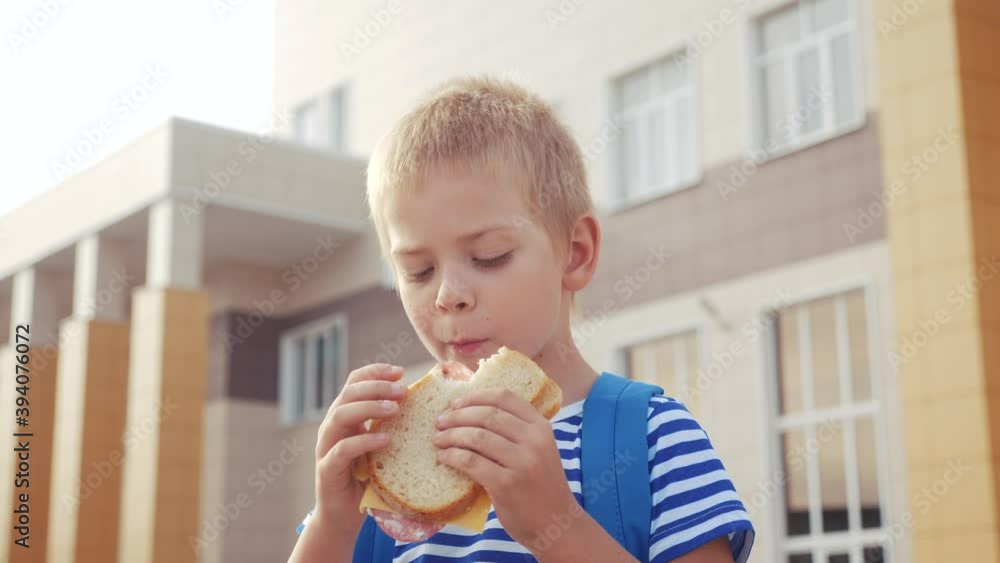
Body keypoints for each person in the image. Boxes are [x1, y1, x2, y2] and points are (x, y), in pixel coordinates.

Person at [287, 75, 755, 563]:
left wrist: (557, 527)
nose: (448, 295)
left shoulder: (654, 435)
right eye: (418, 271)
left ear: (574, 254)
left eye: (490, 257)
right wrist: (332, 524)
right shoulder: (384, 461)